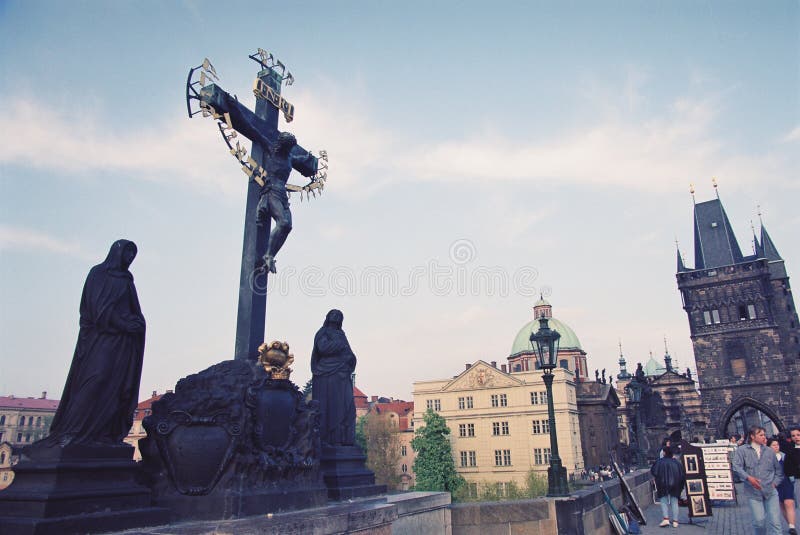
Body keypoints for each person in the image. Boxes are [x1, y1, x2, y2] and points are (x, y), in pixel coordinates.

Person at [36, 240, 145, 448]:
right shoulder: (98, 274)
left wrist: (137, 324)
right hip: (101, 339)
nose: (130, 259)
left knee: (117, 385)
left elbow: (135, 312)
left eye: (133, 255)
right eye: (128, 254)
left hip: (122, 344)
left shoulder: (127, 281)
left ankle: (103, 434)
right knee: (95, 378)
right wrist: (122, 323)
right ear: (117, 253)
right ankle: (71, 431)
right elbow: (95, 308)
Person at [311, 309, 357, 447]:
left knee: (347, 405)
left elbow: (349, 352)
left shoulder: (341, 334)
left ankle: (346, 439)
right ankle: (331, 439)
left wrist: (351, 358)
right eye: (334, 314)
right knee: (331, 407)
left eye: (339, 315)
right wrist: (340, 346)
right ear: (328, 317)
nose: (337, 316)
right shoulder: (323, 332)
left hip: (342, 374)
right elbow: (323, 348)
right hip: (327, 373)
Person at [732, 426, 784, 535]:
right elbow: (736, 466)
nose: (764, 437)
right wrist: (748, 477)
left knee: (776, 522)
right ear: (752, 436)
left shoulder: (769, 451)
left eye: (764, 434)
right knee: (759, 522)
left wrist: (775, 483)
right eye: (761, 435)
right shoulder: (742, 450)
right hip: (753, 492)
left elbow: (779, 471)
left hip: (770, 491)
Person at [651, 446, 685, 528]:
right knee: (674, 502)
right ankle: (675, 521)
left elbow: (654, 471)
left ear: (664, 453)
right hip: (675, 484)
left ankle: (666, 519)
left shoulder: (659, 462)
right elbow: (682, 475)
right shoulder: (677, 463)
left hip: (662, 484)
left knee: (663, 501)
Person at [768, 438, 796, 535]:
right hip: (775, 484)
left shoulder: (784, 456)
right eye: (773, 445)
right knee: (782, 505)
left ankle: (792, 526)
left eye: (777, 445)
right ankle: (790, 524)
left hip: (786, 481)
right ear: (769, 447)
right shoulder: (767, 459)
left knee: (789, 503)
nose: (776, 447)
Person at [785, 427, 800, 535]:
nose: (796, 437)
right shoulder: (790, 450)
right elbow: (788, 467)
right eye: (793, 435)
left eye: (798, 435)